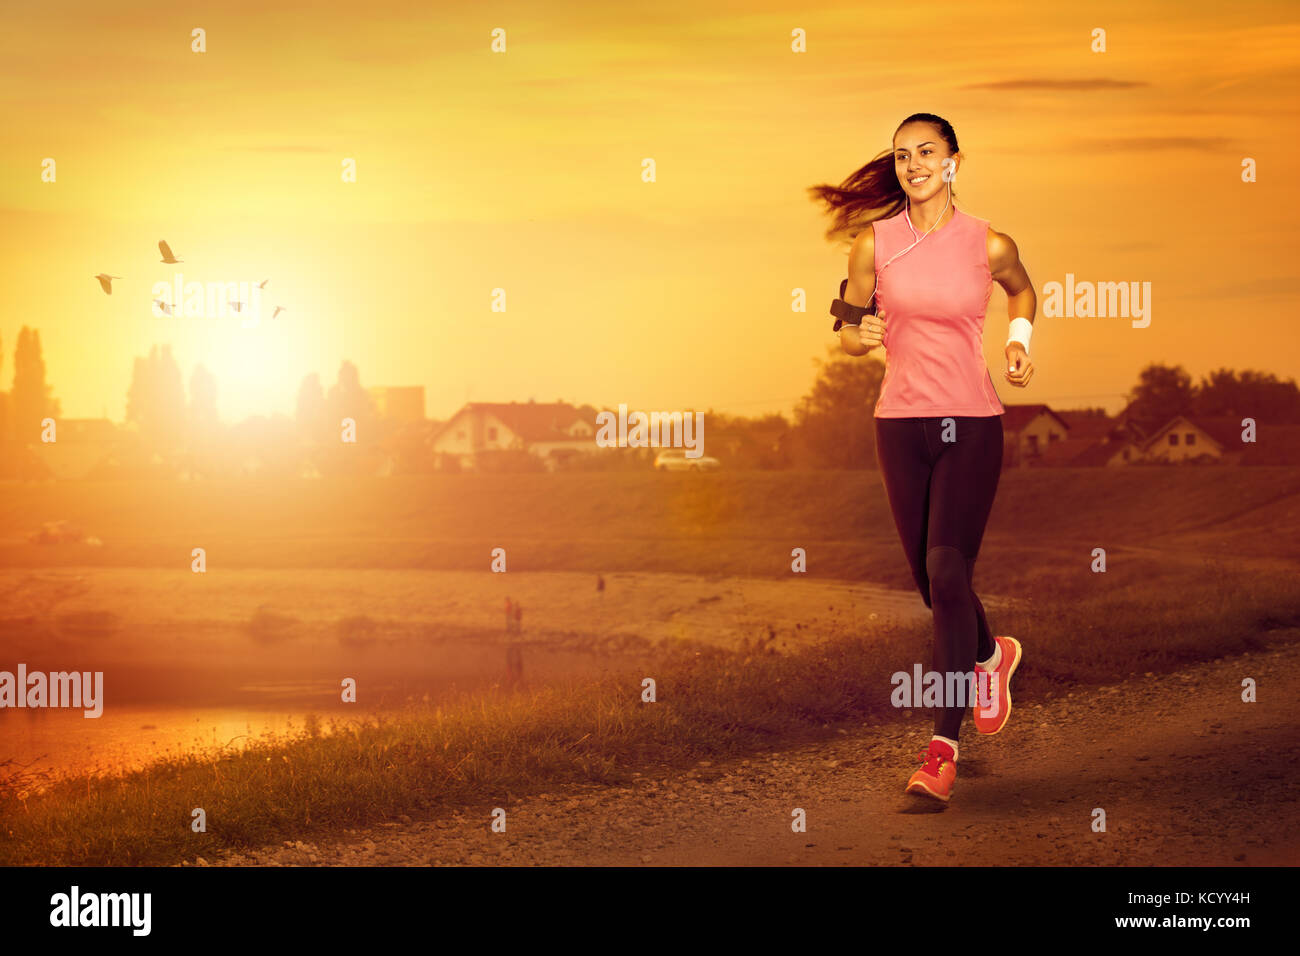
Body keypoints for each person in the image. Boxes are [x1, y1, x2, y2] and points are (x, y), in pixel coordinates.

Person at [809, 112, 1035, 803]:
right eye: (903, 155)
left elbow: (1022, 288)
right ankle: (992, 655)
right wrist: (861, 332)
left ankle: (941, 749)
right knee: (930, 584)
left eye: (927, 152)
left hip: (971, 422)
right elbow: (846, 331)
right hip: (898, 425)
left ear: (953, 161)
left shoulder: (989, 243)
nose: (913, 165)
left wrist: (1019, 339)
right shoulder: (870, 246)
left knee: (946, 568)